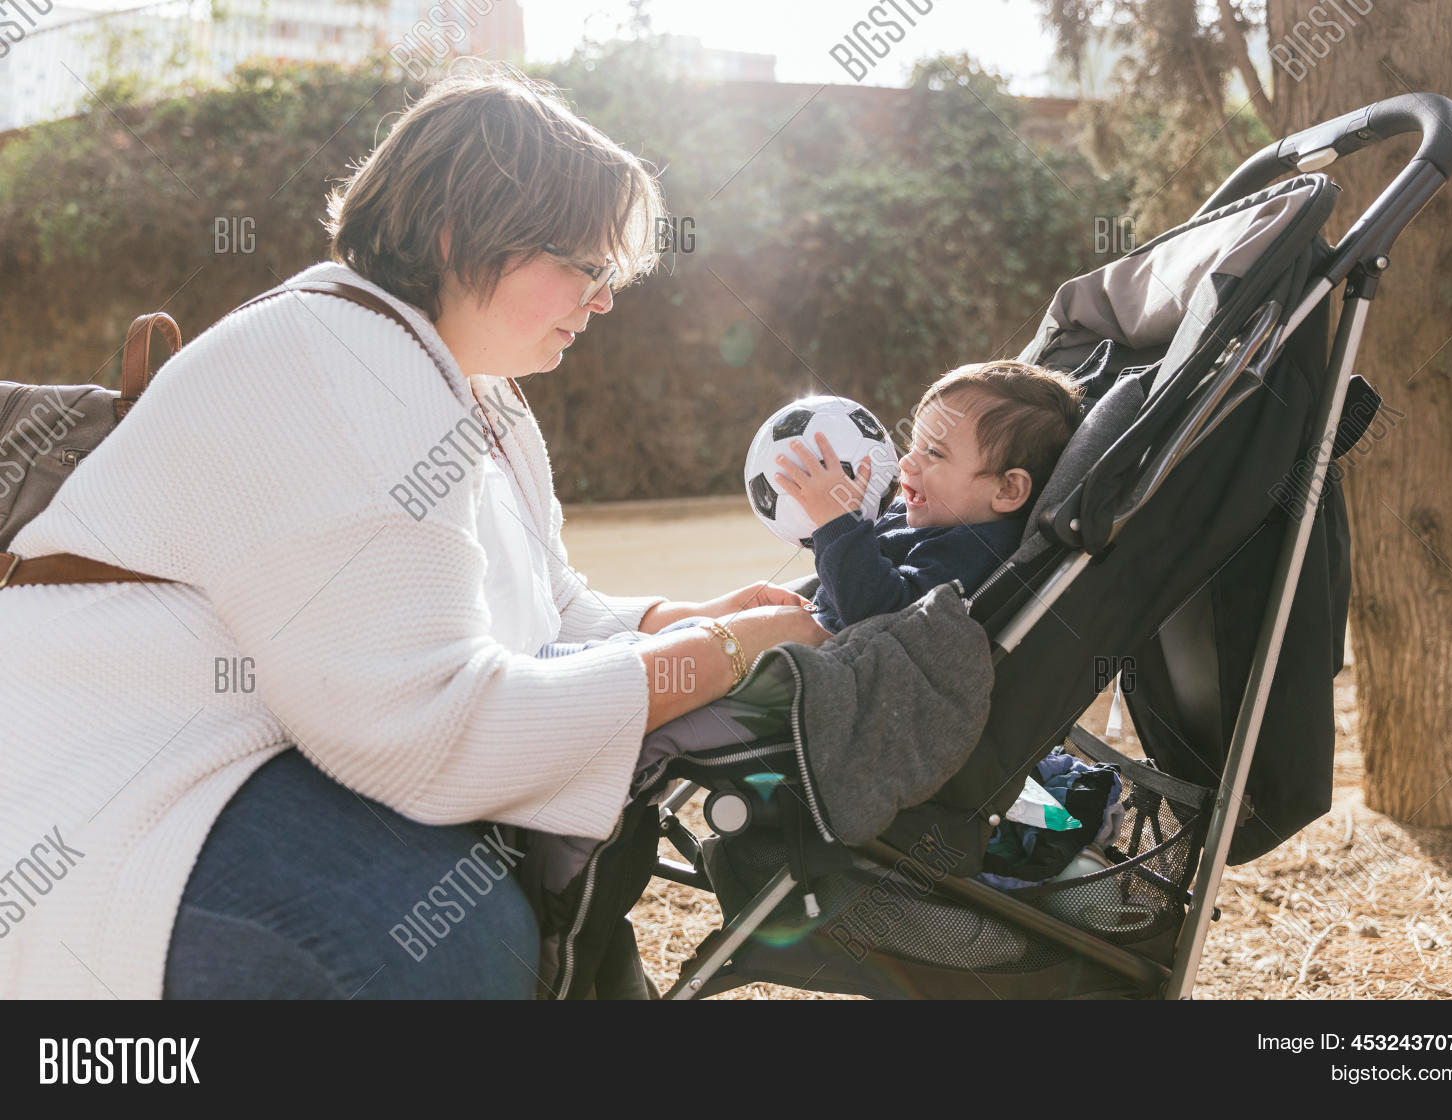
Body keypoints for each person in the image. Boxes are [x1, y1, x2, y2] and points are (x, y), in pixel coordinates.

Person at [0, 70, 827, 1000]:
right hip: (126, 787)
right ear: (457, 232)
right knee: (440, 943)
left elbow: (552, 607)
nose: (602, 300)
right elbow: (429, 729)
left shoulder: (482, 395)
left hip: (268, 752)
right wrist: (717, 652)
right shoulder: (338, 359)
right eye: (585, 266)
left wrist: (684, 617)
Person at [773, 360, 1083, 631]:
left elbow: (883, 617)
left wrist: (838, 523)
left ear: (1007, 490)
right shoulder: (930, 513)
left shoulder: (972, 550)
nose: (906, 462)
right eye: (913, 446)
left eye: (933, 452)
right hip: (809, 617)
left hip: (829, 664)